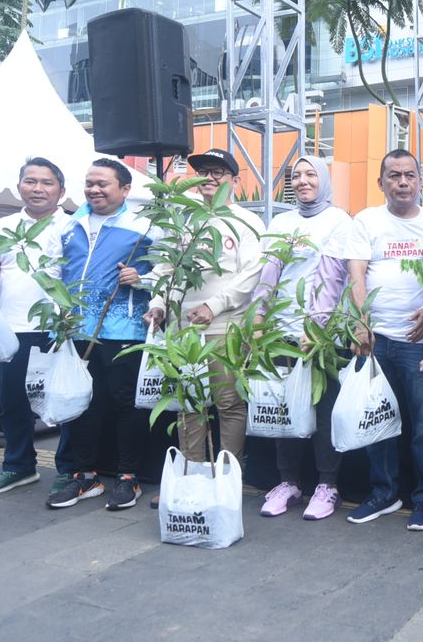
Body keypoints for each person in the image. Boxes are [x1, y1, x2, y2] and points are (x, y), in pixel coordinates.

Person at [343, 148, 423, 530]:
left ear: (420, 181)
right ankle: (384, 493)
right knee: (378, 420)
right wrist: (361, 324)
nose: (403, 182)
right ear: (381, 182)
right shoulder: (366, 220)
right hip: (375, 340)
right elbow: (356, 275)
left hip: (418, 342)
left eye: (410, 175)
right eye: (394, 175)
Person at [48, 158, 162, 512]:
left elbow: (168, 272)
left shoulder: (145, 227)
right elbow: (52, 271)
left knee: (126, 404)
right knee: (83, 403)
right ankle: (85, 475)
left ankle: (128, 477)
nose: (94, 190)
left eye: (102, 184)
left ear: (125, 189)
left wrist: (143, 279)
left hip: (124, 329)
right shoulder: (70, 225)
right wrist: (59, 312)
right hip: (77, 330)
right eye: (89, 183)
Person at [146, 149, 266, 468]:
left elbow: (251, 274)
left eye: (218, 172)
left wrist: (214, 306)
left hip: (224, 328)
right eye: (203, 172)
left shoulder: (247, 221)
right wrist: (158, 305)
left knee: (228, 403)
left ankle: (228, 473)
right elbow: (165, 267)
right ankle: (192, 473)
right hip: (182, 330)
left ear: (235, 181)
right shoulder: (184, 218)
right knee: (189, 404)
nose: (209, 178)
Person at [254, 154, 353, 521]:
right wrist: (258, 317)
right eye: (296, 176)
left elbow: (332, 278)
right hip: (281, 332)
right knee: (285, 409)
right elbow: (268, 274)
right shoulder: (281, 222)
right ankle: (288, 482)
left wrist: (315, 327)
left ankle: (327, 485)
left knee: (323, 411)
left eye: (311, 174)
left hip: (323, 335)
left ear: (323, 179)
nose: (303, 181)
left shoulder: (338, 220)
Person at [0, 157, 72, 495]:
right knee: (13, 401)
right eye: (30, 181)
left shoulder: (74, 227)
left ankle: (70, 469)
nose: (37, 188)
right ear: (19, 187)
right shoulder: (0, 227)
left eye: (47, 182)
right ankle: (18, 466)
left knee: (65, 400)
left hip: (61, 326)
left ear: (61, 191)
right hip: (14, 327)